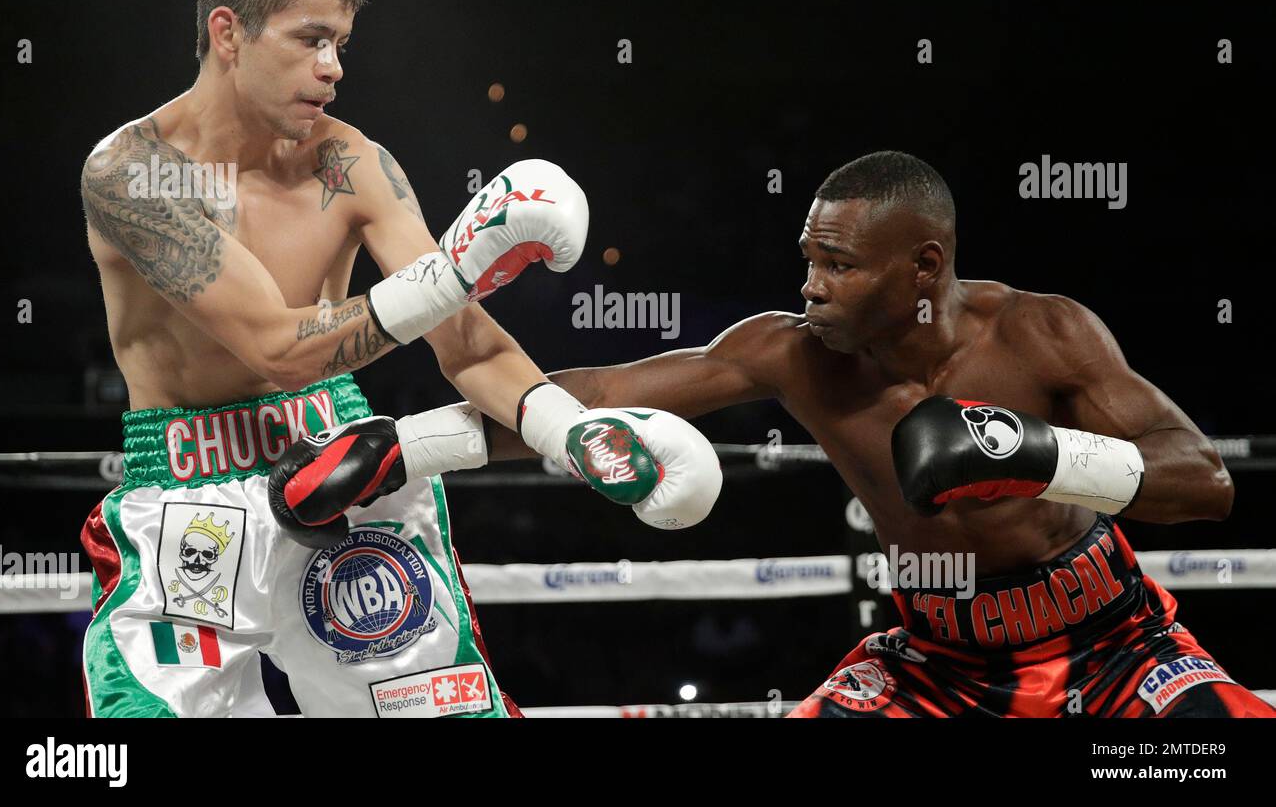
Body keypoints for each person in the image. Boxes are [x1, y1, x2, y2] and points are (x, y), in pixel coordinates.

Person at [366, 149, 1274, 717]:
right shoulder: (793, 354)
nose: (811, 287)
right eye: (809, 259)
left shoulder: (1043, 333)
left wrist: (1036, 453)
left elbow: (1204, 479)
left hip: (1116, 646)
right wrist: (402, 441)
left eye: (837, 266)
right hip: (935, 666)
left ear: (925, 265)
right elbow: (594, 393)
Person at [79, 0, 719, 718]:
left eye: (342, 44)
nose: (333, 68)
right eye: (311, 39)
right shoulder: (134, 173)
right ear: (228, 32)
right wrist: (455, 269)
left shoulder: (353, 164)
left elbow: (466, 340)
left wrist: (565, 429)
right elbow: (277, 347)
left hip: (347, 458)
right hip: (188, 490)